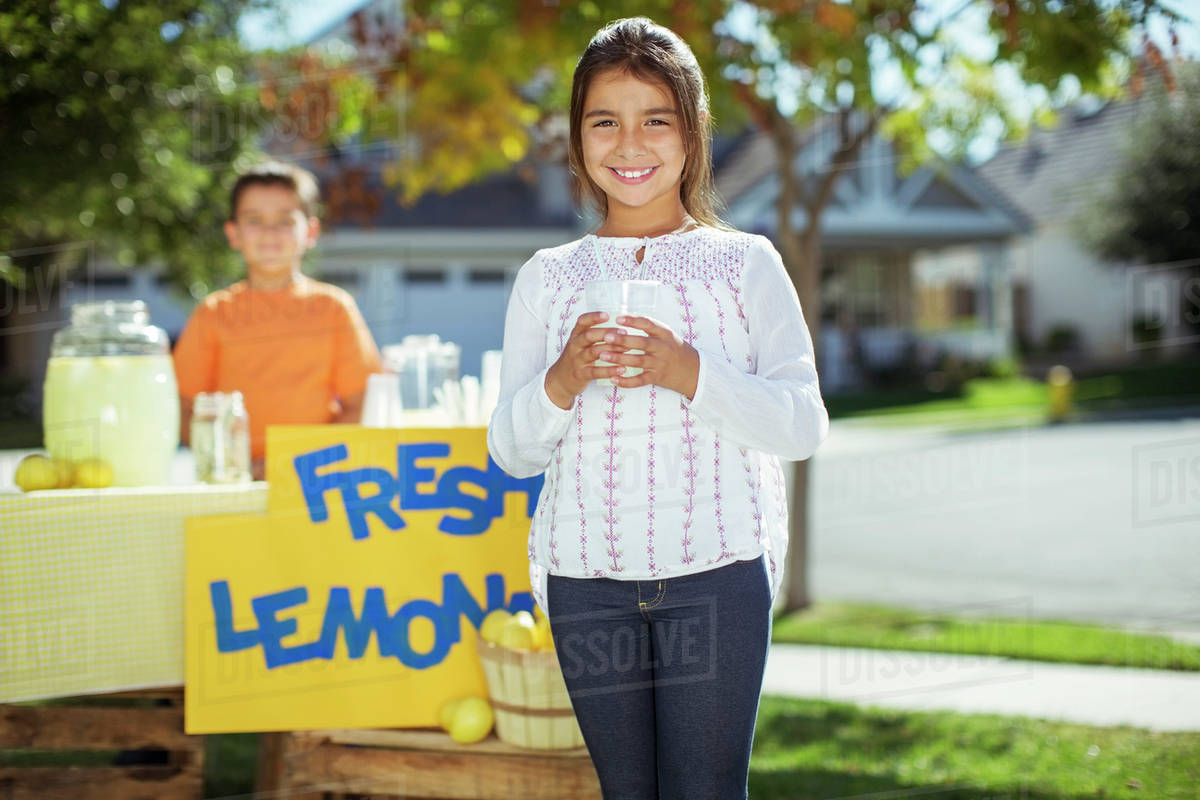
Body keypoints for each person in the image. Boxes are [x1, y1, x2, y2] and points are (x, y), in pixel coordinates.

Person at [487, 17, 828, 800]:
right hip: (584, 579)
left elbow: (802, 423)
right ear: (577, 137)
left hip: (716, 574)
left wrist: (687, 370)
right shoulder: (548, 277)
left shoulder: (745, 263)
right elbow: (511, 451)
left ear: (694, 130)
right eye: (604, 120)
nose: (629, 144)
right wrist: (563, 381)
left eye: (656, 119)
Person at [173, 161, 381, 479]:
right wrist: (237, 464)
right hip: (233, 482)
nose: (270, 232)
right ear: (234, 233)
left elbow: (362, 405)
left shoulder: (334, 309)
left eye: (285, 220)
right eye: (254, 220)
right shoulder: (213, 314)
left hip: (318, 482)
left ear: (310, 231)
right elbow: (185, 410)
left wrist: (294, 465)